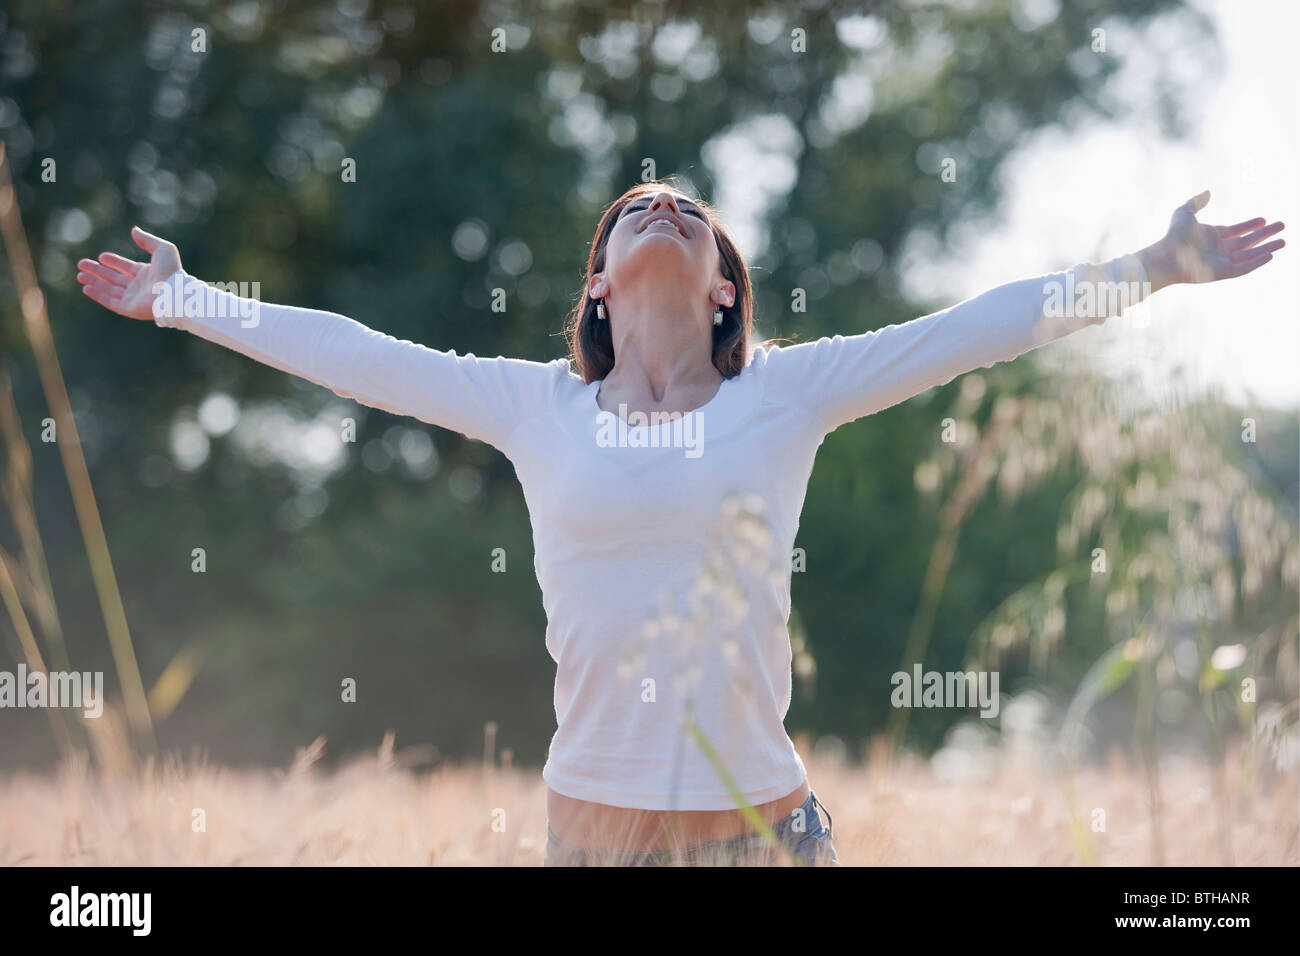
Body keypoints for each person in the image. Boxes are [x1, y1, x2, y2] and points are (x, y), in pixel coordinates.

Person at [78, 182, 1283, 866]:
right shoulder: (534, 405)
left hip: (760, 822)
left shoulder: (789, 393)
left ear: (723, 286)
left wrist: (1154, 263)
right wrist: (185, 299)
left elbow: (983, 322)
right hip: (589, 825)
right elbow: (360, 357)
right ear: (597, 281)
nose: (659, 207)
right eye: (633, 209)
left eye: (687, 208)